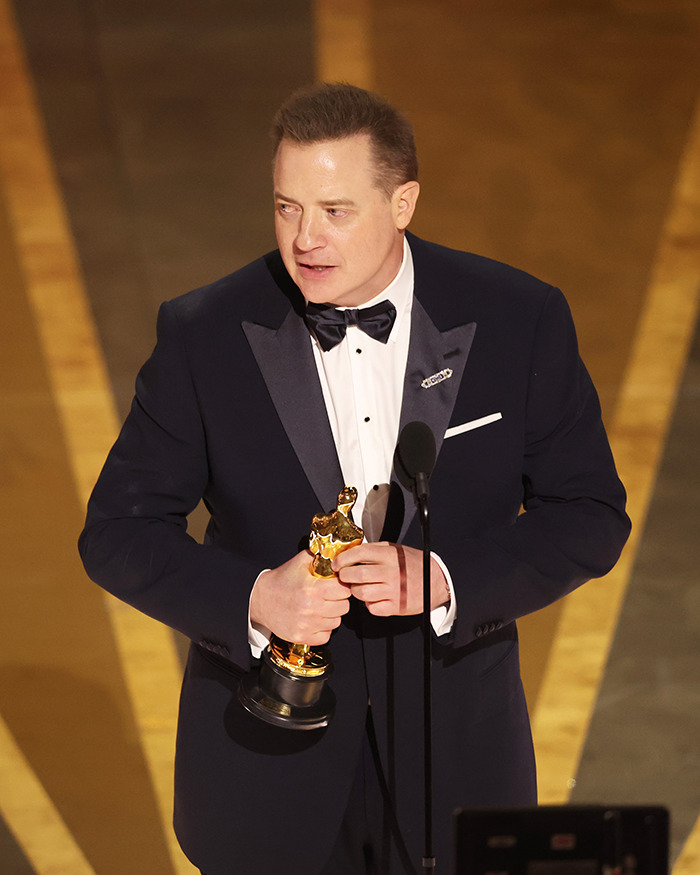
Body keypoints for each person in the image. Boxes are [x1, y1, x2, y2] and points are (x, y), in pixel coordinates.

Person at [79, 83, 630, 874]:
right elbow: (117, 531)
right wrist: (256, 599)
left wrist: (442, 577)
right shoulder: (204, 335)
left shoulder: (520, 318)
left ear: (402, 201)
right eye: (287, 207)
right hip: (266, 770)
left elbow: (588, 512)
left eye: (335, 210)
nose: (305, 239)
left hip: (457, 769)